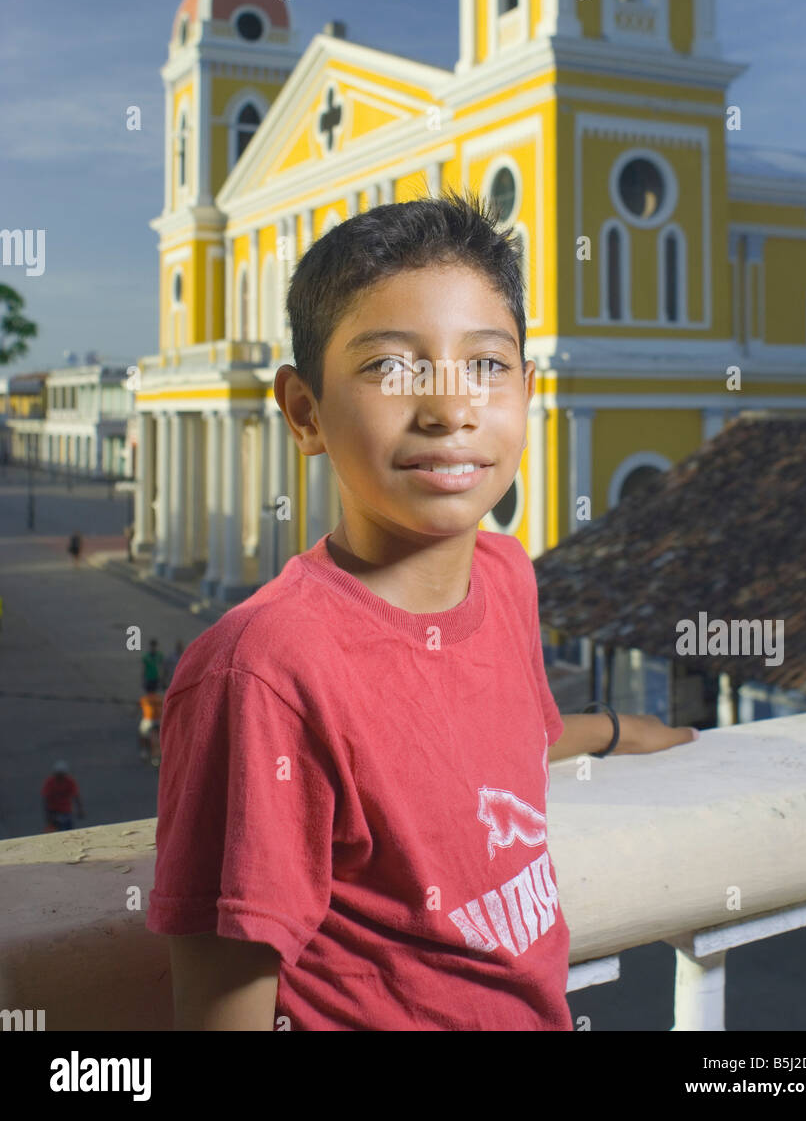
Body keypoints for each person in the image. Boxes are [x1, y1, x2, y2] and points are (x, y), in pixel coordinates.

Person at [146, 192, 698, 1032]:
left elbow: (500, 747)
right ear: (305, 412)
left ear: (527, 390)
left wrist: (619, 731)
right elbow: (222, 1014)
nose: (450, 408)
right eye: (392, 368)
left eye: (486, 364)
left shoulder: (506, 575)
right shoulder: (265, 671)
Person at [42, 760, 84, 832]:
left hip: (66, 811)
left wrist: (80, 809)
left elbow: (76, 796)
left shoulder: (69, 781)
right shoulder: (50, 782)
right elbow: (46, 798)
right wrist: (48, 815)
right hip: (54, 812)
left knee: (69, 830)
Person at [138, 690, 164, 766]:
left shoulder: (144, 699)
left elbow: (137, 710)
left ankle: (144, 751)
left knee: (142, 734)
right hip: (159, 720)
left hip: (148, 720)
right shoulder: (160, 698)